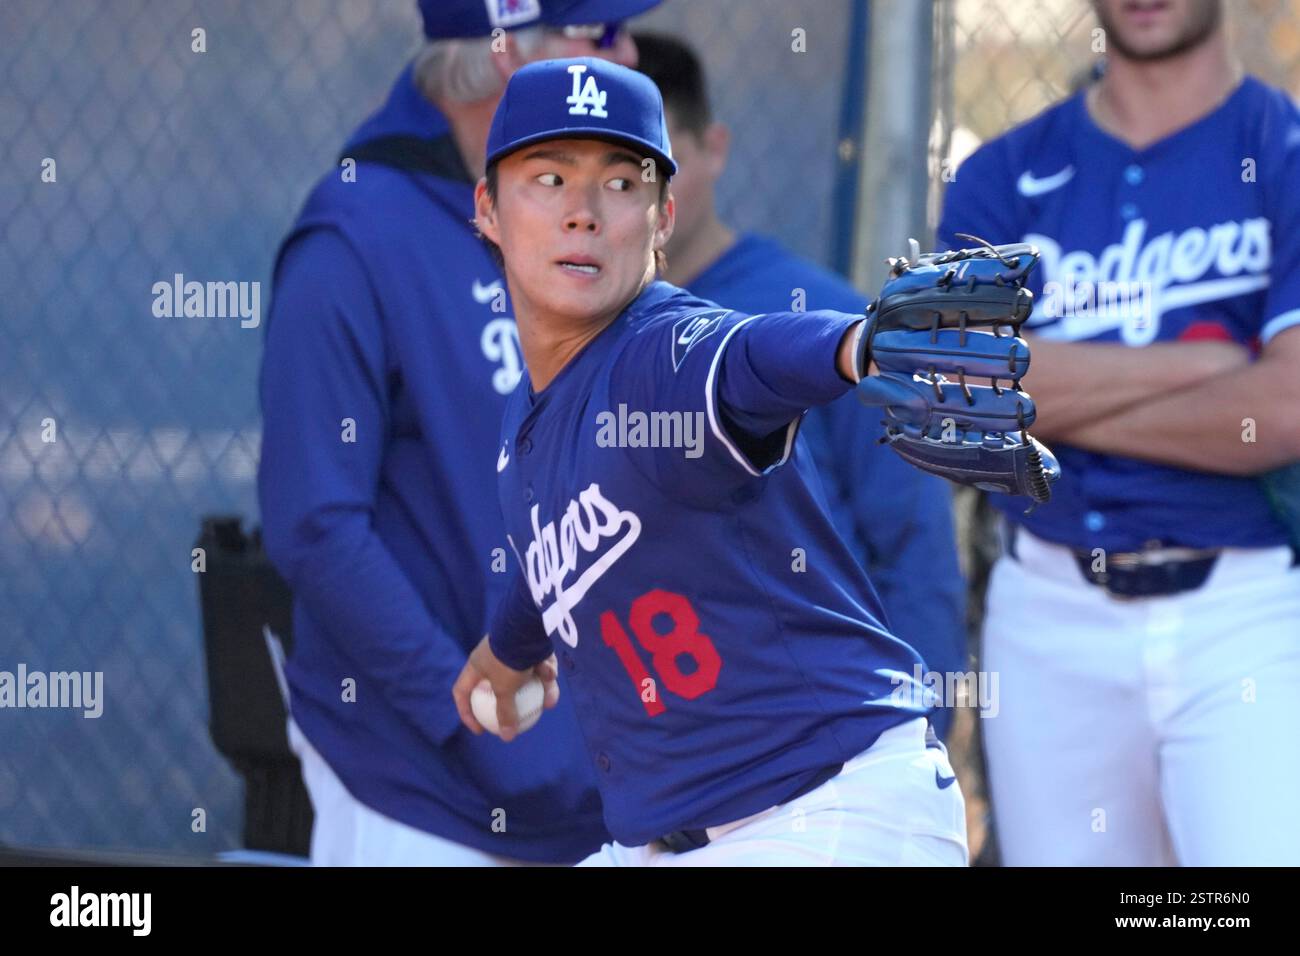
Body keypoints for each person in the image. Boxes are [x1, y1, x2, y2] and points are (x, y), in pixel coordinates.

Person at [452, 56, 1000, 867]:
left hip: (829, 817)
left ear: (664, 216)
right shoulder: (531, 412)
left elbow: (748, 357)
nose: (584, 213)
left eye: (621, 183)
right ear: (488, 209)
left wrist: (854, 344)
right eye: (548, 177)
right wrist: (504, 650)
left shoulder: (661, 353)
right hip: (698, 837)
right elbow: (560, 550)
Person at [257, 0, 664, 867]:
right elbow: (313, 523)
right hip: (425, 798)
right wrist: (462, 712)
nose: (632, 51)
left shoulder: (591, 223)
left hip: (605, 787)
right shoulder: (354, 234)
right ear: (509, 54)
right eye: (601, 37)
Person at [938, 0, 1300, 865]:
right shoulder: (1002, 175)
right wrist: (1206, 366)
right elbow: (959, 405)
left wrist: (1047, 386)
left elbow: (1283, 413)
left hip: (1245, 607)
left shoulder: (1284, 153)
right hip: (1048, 609)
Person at [632, 32, 967, 741]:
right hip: (654, 750)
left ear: (715, 148)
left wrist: (920, 733)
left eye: (662, 166)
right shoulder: (576, 338)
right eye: (613, 174)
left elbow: (915, 545)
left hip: (818, 740)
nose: (640, 199)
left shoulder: (825, 319)